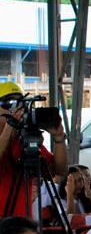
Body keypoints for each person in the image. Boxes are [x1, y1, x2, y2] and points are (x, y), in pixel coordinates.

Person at [0, 82, 68, 218]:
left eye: (20, 104)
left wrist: (59, 138)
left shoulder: (23, 139)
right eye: (8, 104)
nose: (15, 110)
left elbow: (60, 170)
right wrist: (9, 128)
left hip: (22, 222)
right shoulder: (9, 137)